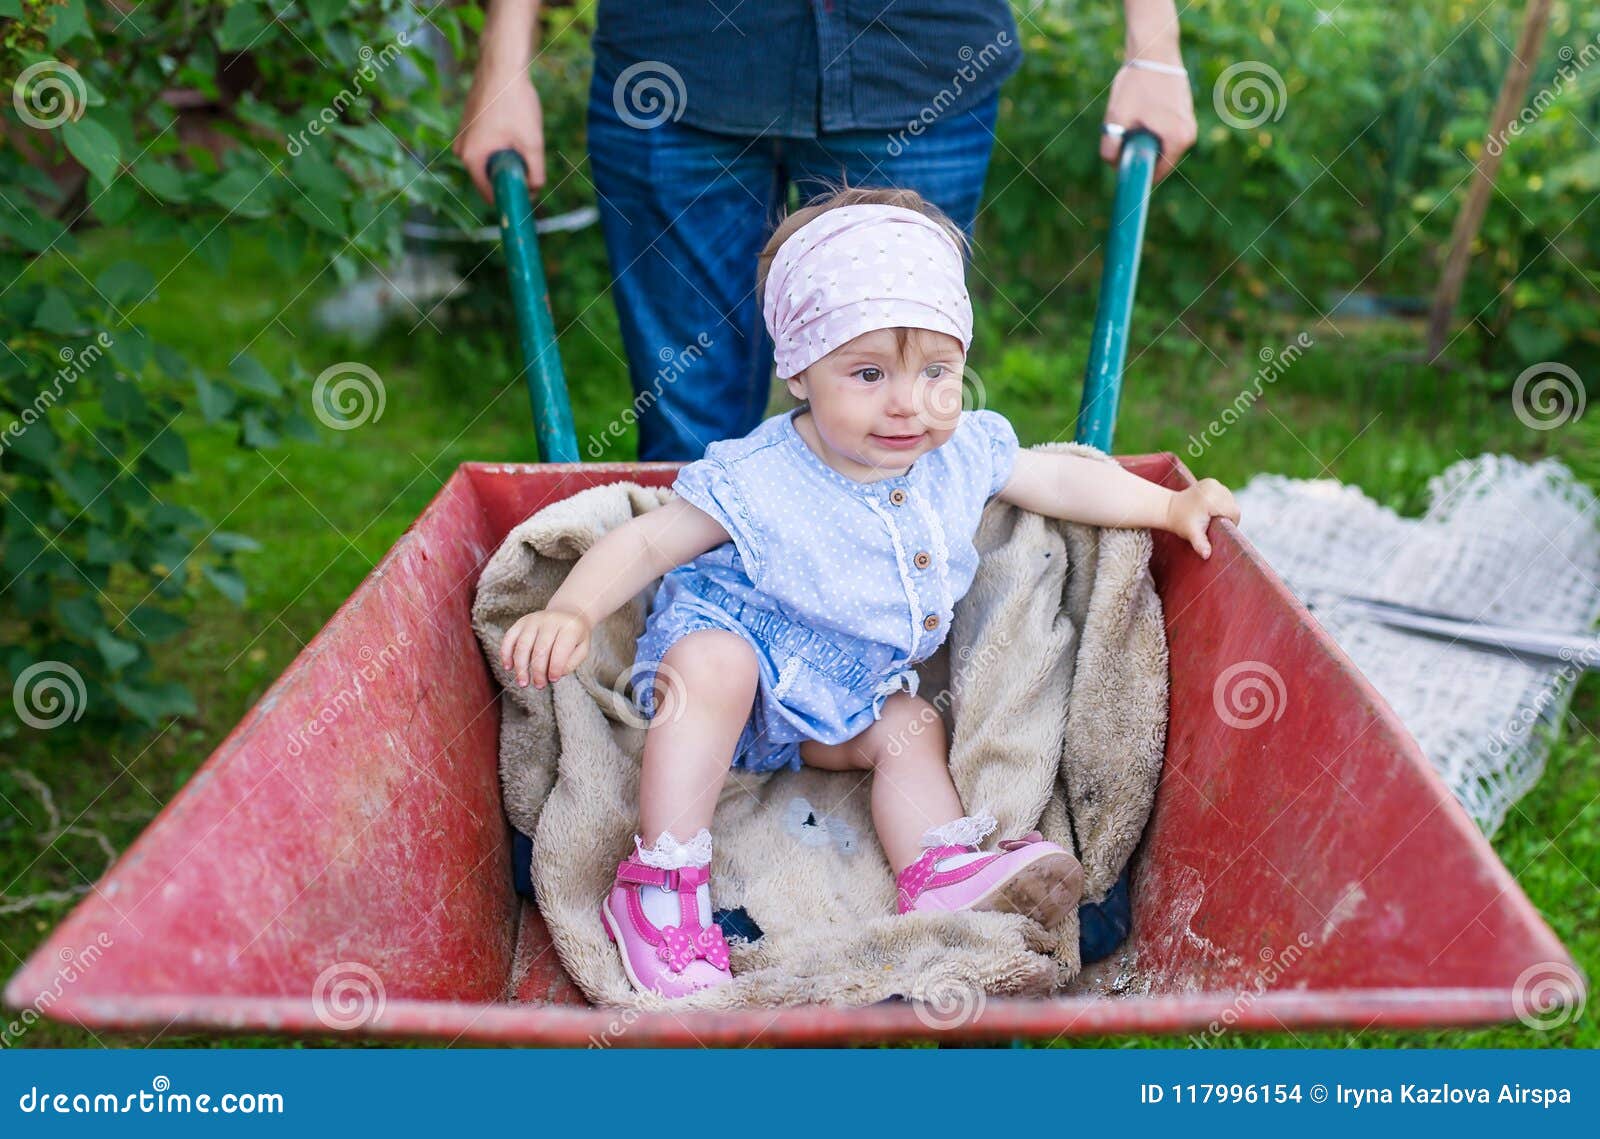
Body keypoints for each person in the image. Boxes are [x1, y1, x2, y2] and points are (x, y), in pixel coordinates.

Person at [497, 188, 1238, 996]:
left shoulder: (960, 454)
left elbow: (1060, 477)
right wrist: (572, 607)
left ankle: (942, 865)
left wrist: (1169, 504)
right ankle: (660, 883)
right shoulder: (762, 474)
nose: (907, 403)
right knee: (714, 664)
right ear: (801, 371)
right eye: (868, 372)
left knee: (910, 725)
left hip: (843, 695)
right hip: (736, 665)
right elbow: (647, 539)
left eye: (938, 371)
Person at [454, 1, 1198, 462]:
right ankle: (699, 662)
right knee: (690, 433)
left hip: (918, 62)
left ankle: (876, 673)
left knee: (899, 422)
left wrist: (1154, 49)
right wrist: (505, 57)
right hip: (675, 62)